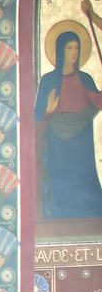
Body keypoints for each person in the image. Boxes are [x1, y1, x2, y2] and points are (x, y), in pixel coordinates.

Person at [35, 19, 102, 218]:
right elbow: (36, 115)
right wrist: (48, 110)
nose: (74, 52)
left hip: (81, 142)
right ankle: (59, 217)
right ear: (60, 50)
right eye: (69, 47)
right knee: (60, 182)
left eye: (77, 47)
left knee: (84, 181)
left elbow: (98, 101)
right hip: (57, 143)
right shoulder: (48, 80)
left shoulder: (85, 79)